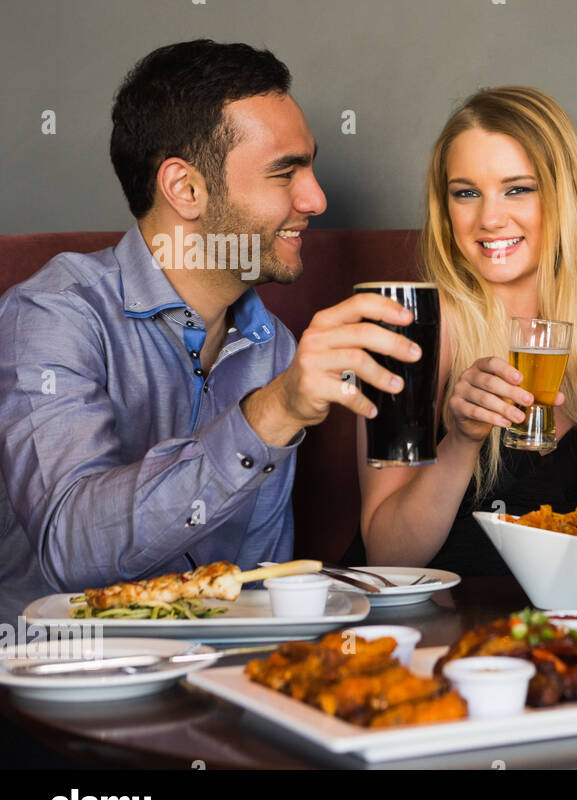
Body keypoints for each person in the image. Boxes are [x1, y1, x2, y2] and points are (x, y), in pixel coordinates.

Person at [0, 40, 422, 625]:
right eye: (285, 172)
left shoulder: (273, 346)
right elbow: (73, 548)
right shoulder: (52, 315)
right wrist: (269, 414)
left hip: (216, 679)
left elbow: (255, 588)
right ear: (185, 189)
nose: (316, 198)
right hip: (63, 686)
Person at [357, 87, 577, 574]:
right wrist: (461, 442)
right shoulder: (407, 331)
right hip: (422, 628)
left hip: (541, 630)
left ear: (562, 197)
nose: (489, 218)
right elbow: (387, 553)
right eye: (466, 193)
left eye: (517, 188)